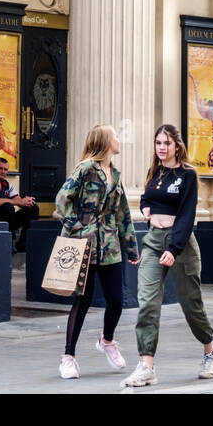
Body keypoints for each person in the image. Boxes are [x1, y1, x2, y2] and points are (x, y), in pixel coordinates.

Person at [124, 123, 213, 387]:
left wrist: (174, 249)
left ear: (176, 146)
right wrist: (145, 209)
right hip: (154, 240)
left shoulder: (187, 175)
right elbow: (147, 197)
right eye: (158, 143)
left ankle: (210, 352)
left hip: (181, 244)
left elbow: (187, 214)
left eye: (166, 144)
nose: (162, 148)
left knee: (191, 304)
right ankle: (146, 366)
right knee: (147, 303)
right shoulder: (155, 171)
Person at [54, 124, 140, 380]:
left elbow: (122, 213)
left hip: (110, 247)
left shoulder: (115, 173)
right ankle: (68, 357)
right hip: (85, 247)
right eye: (115, 136)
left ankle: (107, 340)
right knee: (83, 300)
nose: (118, 139)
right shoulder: (86, 168)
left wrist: (131, 248)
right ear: (105, 142)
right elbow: (62, 200)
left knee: (116, 300)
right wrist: (78, 227)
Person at [0, 157, 38, 251]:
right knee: (8, 207)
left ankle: (23, 243)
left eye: (5, 169)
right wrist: (18, 202)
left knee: (33, 208)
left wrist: (26, 201)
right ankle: (10, 242)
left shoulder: (6, 184)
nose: (3, 171)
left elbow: (18, 200)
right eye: (0, 168)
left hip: (6, 220)